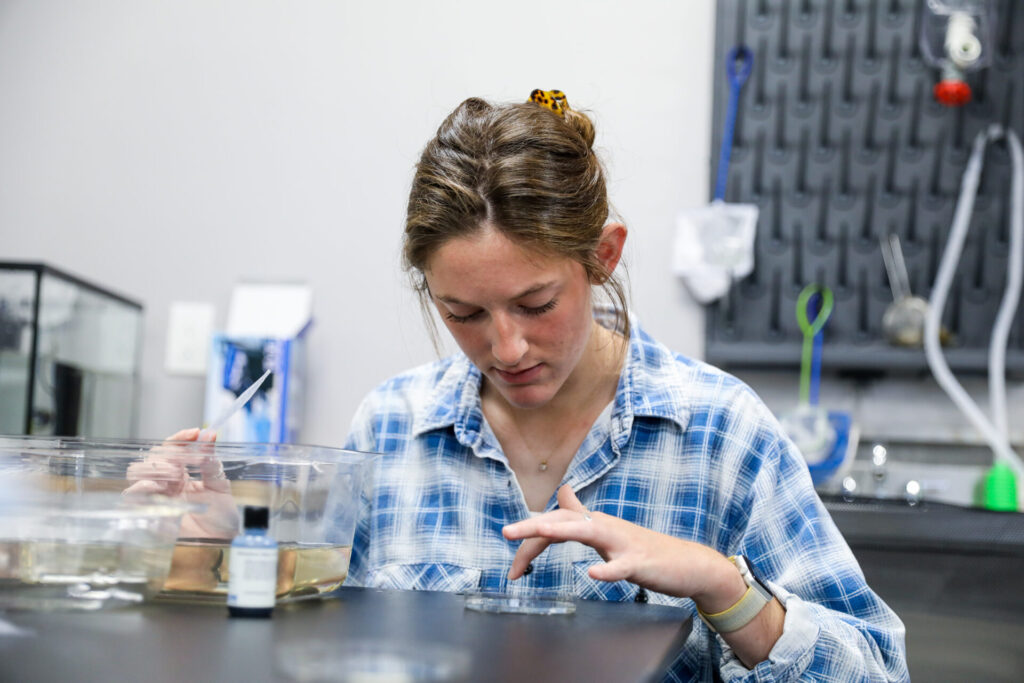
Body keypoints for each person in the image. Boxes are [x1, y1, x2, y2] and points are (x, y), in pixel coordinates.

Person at [341, 91, 909, 681]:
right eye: (463, 314)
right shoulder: (389, 427)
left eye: (536, 304)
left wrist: (723, 588)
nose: (507, 348)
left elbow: (879, 672)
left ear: (604, 256)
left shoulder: (721, 433)